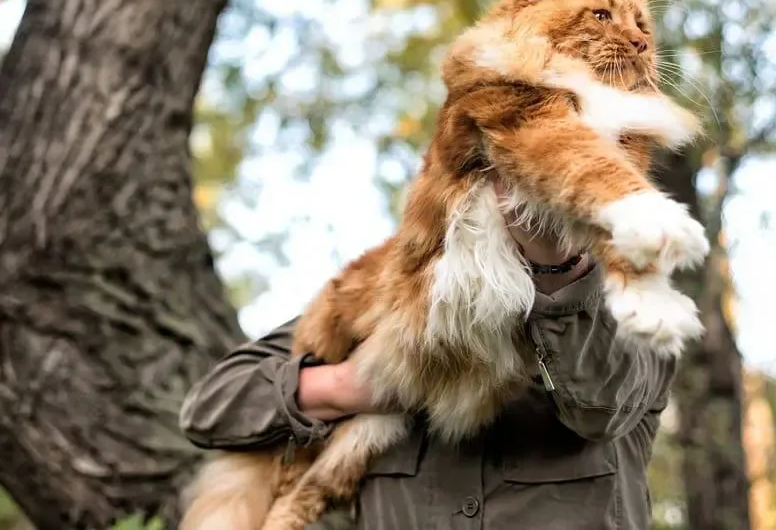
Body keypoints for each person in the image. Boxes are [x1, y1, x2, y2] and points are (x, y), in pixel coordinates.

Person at [179, 184, 678, 529]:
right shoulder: (388, 292)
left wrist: (556, 266)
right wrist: (350, 385)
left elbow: (602, 406)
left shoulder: (636, 300)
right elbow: (210, 407)